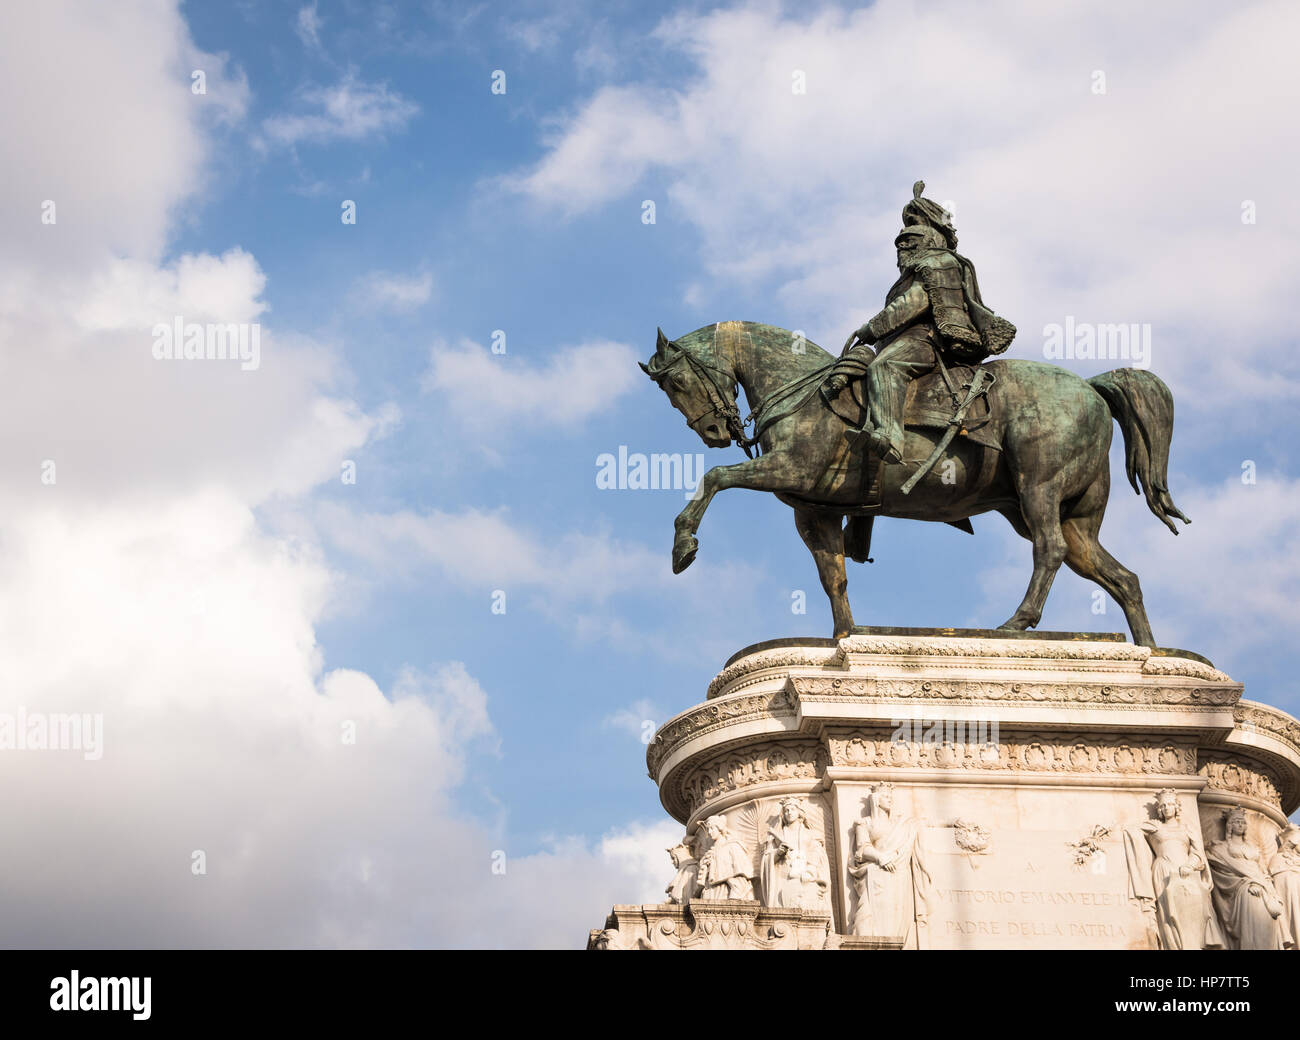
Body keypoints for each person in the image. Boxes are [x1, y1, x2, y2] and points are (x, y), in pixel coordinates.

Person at [823, 182, 1013, 463]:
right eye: (901, 245)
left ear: (926, 239)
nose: (901, 251)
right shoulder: (923, 267)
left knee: (885, 366)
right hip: (906, 340)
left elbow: (913, 303)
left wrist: (870, 328)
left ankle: (890, 437)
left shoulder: (938, 263)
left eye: (907, 244)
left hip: (927, 341)